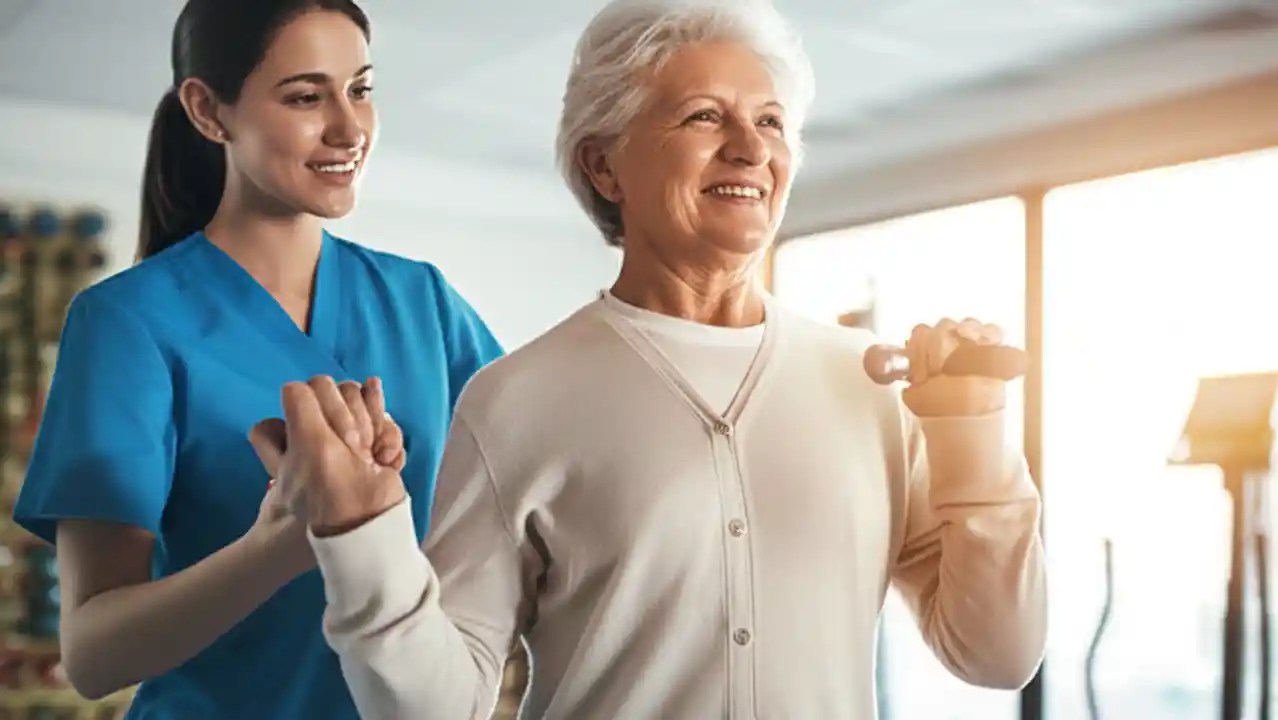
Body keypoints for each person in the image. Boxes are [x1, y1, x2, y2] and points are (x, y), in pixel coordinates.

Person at [264, 1, 1047, 718]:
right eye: (705, 116)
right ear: (604, 166)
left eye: (771, 122)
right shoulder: (515, 400)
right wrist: (362, 533)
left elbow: (998, 655)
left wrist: (972, 431)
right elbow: (437, 707)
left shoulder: (867, 385)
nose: (751, 148)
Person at [10, 1, 501, 718]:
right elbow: (92, 655)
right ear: (209, 111)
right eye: (305, 97)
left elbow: (543, 494)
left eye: (360, 89)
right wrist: (280, 544)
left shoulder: (422, 300)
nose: (349, 128)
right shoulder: (128, 323)